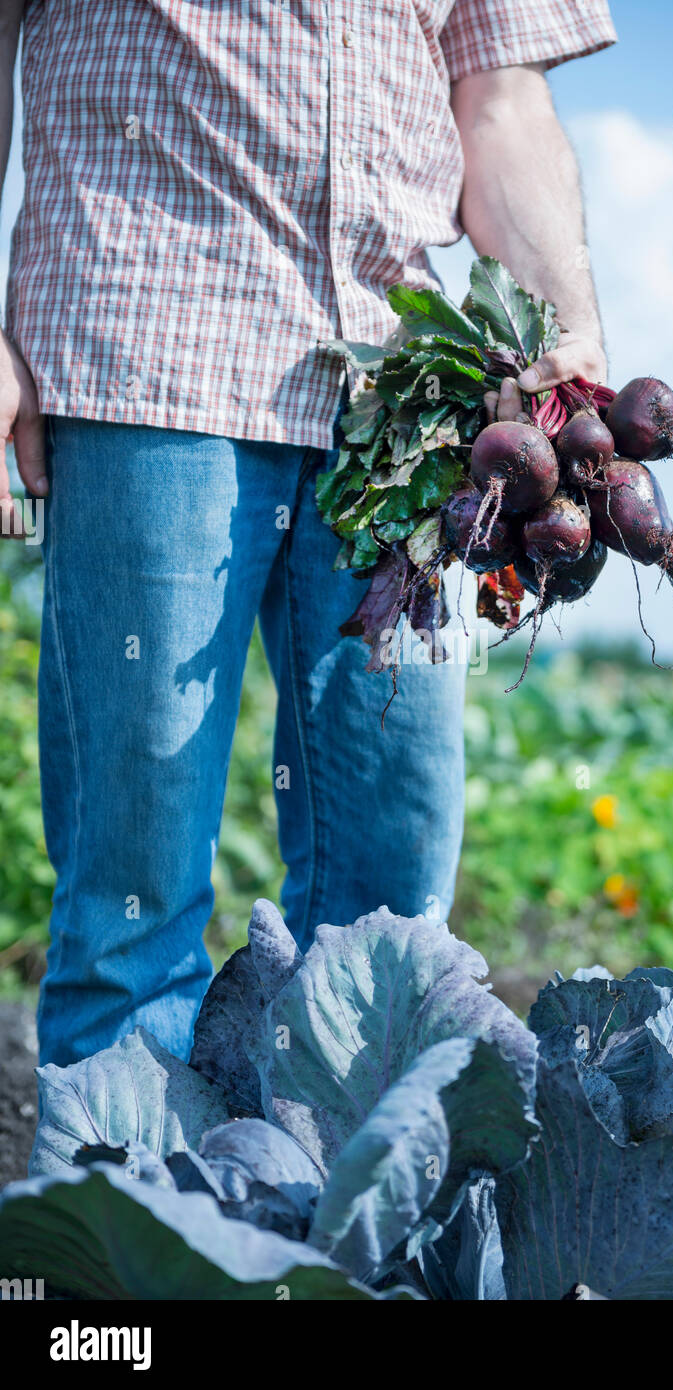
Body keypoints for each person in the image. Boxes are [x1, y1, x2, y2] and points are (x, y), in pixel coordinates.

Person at [0, 1, 614, 1068]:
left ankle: (342, 1205)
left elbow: (500, 94)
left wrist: (570, 331)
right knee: (134, 889)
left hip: (405, 390)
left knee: (396, 889)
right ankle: (117, 1216)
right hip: (147, 338)